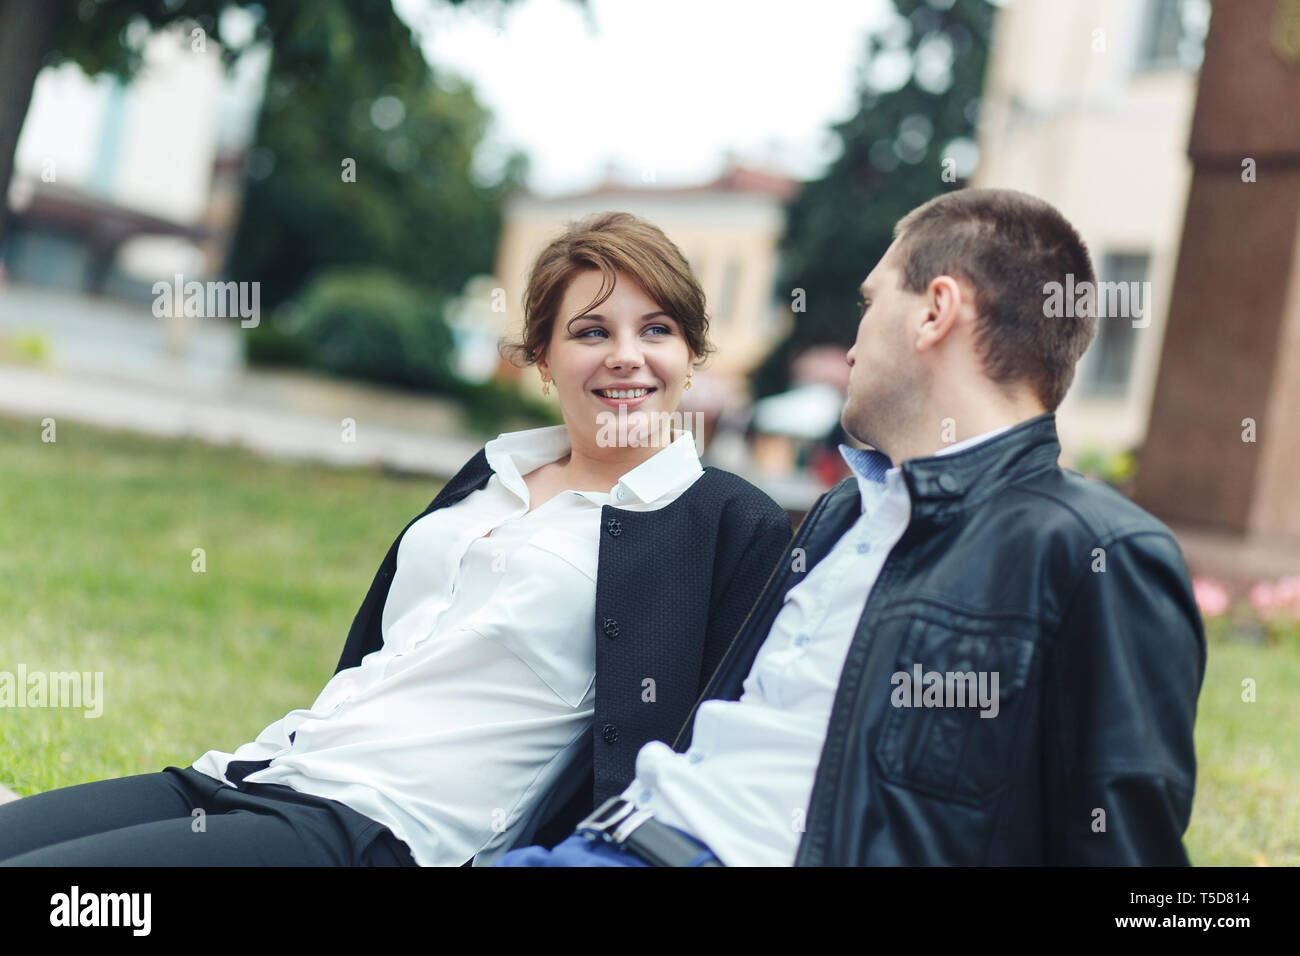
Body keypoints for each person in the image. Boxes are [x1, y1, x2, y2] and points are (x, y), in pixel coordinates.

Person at [0, 211, 792, 867]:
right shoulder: (496, 471)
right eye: (591, 331)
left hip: (378, 832)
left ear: (688, 357)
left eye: (655, 328)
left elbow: (715, 749)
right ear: (543, 362)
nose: (626, 355)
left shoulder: (722, 521)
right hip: (264, 769)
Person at [496, 187, 1207, 867]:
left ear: (936, 312)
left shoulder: (1093, 550)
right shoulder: (847, 512)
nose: (851, 344)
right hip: (608, 840)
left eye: (869, 303)